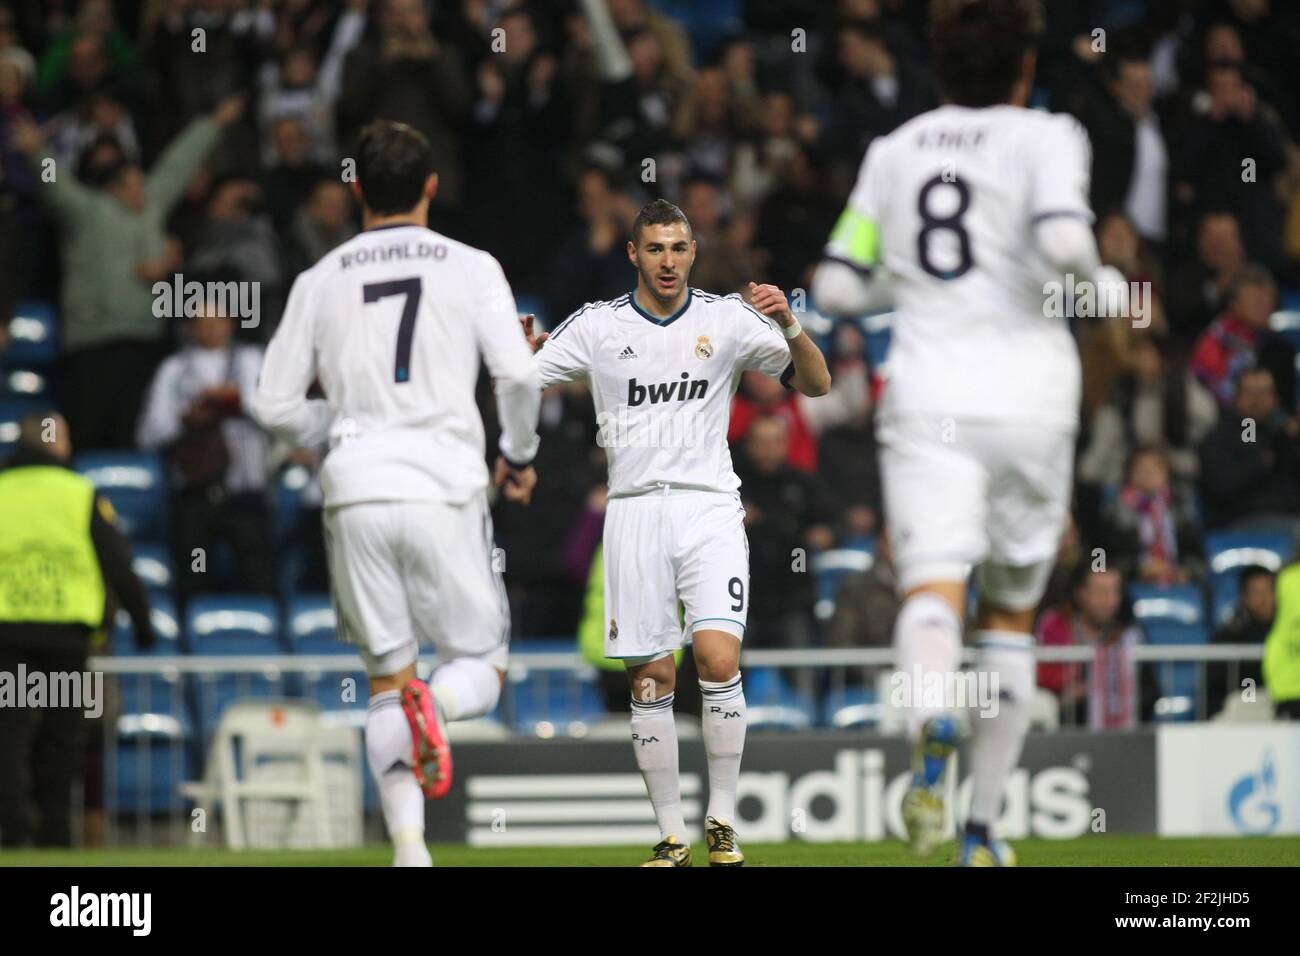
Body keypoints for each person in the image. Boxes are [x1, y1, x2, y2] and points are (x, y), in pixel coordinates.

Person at [811, 0, 1132, 866]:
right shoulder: (1050, 135)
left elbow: (835, 288)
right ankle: (983, 834)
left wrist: (914, 288)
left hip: (928, 397)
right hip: (1033, 400)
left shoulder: (893, 151)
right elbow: (1066, 241)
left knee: (932, 590)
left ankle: (930, 711)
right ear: (1024, 67)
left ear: (939, 67)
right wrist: (1105, 292)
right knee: (1012, 622)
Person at [251, 120, 542, 868]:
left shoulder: (320, 278)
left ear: (355, 190)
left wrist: (340, 419)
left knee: (386, 680)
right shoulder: (472, 266)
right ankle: (437, 708)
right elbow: (516, 374)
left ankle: (410, 852)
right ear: (432, 187)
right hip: (444, 482)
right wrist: (516, 450)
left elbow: (273, 405)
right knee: (480, 662)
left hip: (354, 486)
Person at [519, 197, 830, 867]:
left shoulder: (726, 318)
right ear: (633, 254)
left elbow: (818, 384)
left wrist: (792, 326)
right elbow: (520, 381)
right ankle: (670, 834)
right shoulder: (598, 327)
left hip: (710, 506)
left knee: (718, 660)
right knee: (652, 680)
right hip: (632, 512)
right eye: (654, 248)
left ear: (694, 253)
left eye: (678, 248)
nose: (667, 260)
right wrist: (510, 358)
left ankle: (721, 820)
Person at [0, 411, 153, 847]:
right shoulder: (79, 494)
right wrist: (142, 624)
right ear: (56, 444)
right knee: (60, 738)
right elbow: (118, 564)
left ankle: (12, 834)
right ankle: (54, 836)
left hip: (8, 637)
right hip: (65, 638)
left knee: (10, 733)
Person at [136, 300, 274, 599]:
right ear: (191, 328)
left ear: (230, 324)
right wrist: (188, 418)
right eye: (203, 321)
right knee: (196, 573)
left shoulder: (252, 360)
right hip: (196, 498)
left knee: (258, 576)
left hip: (245, 495)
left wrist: (236, 403)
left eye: (218, 320)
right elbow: (150, 433)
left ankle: (261, 641)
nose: (211, 328)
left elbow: (276, 414)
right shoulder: (174, 369)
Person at [1208, 565, 1274, 717]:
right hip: (1240, 707)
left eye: (1269, 591)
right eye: (1257, 593)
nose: (1265, 599)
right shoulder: (1229, 636)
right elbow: (1214, 688)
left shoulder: (1285, 631)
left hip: (1277, 705)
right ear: (1245, 597)